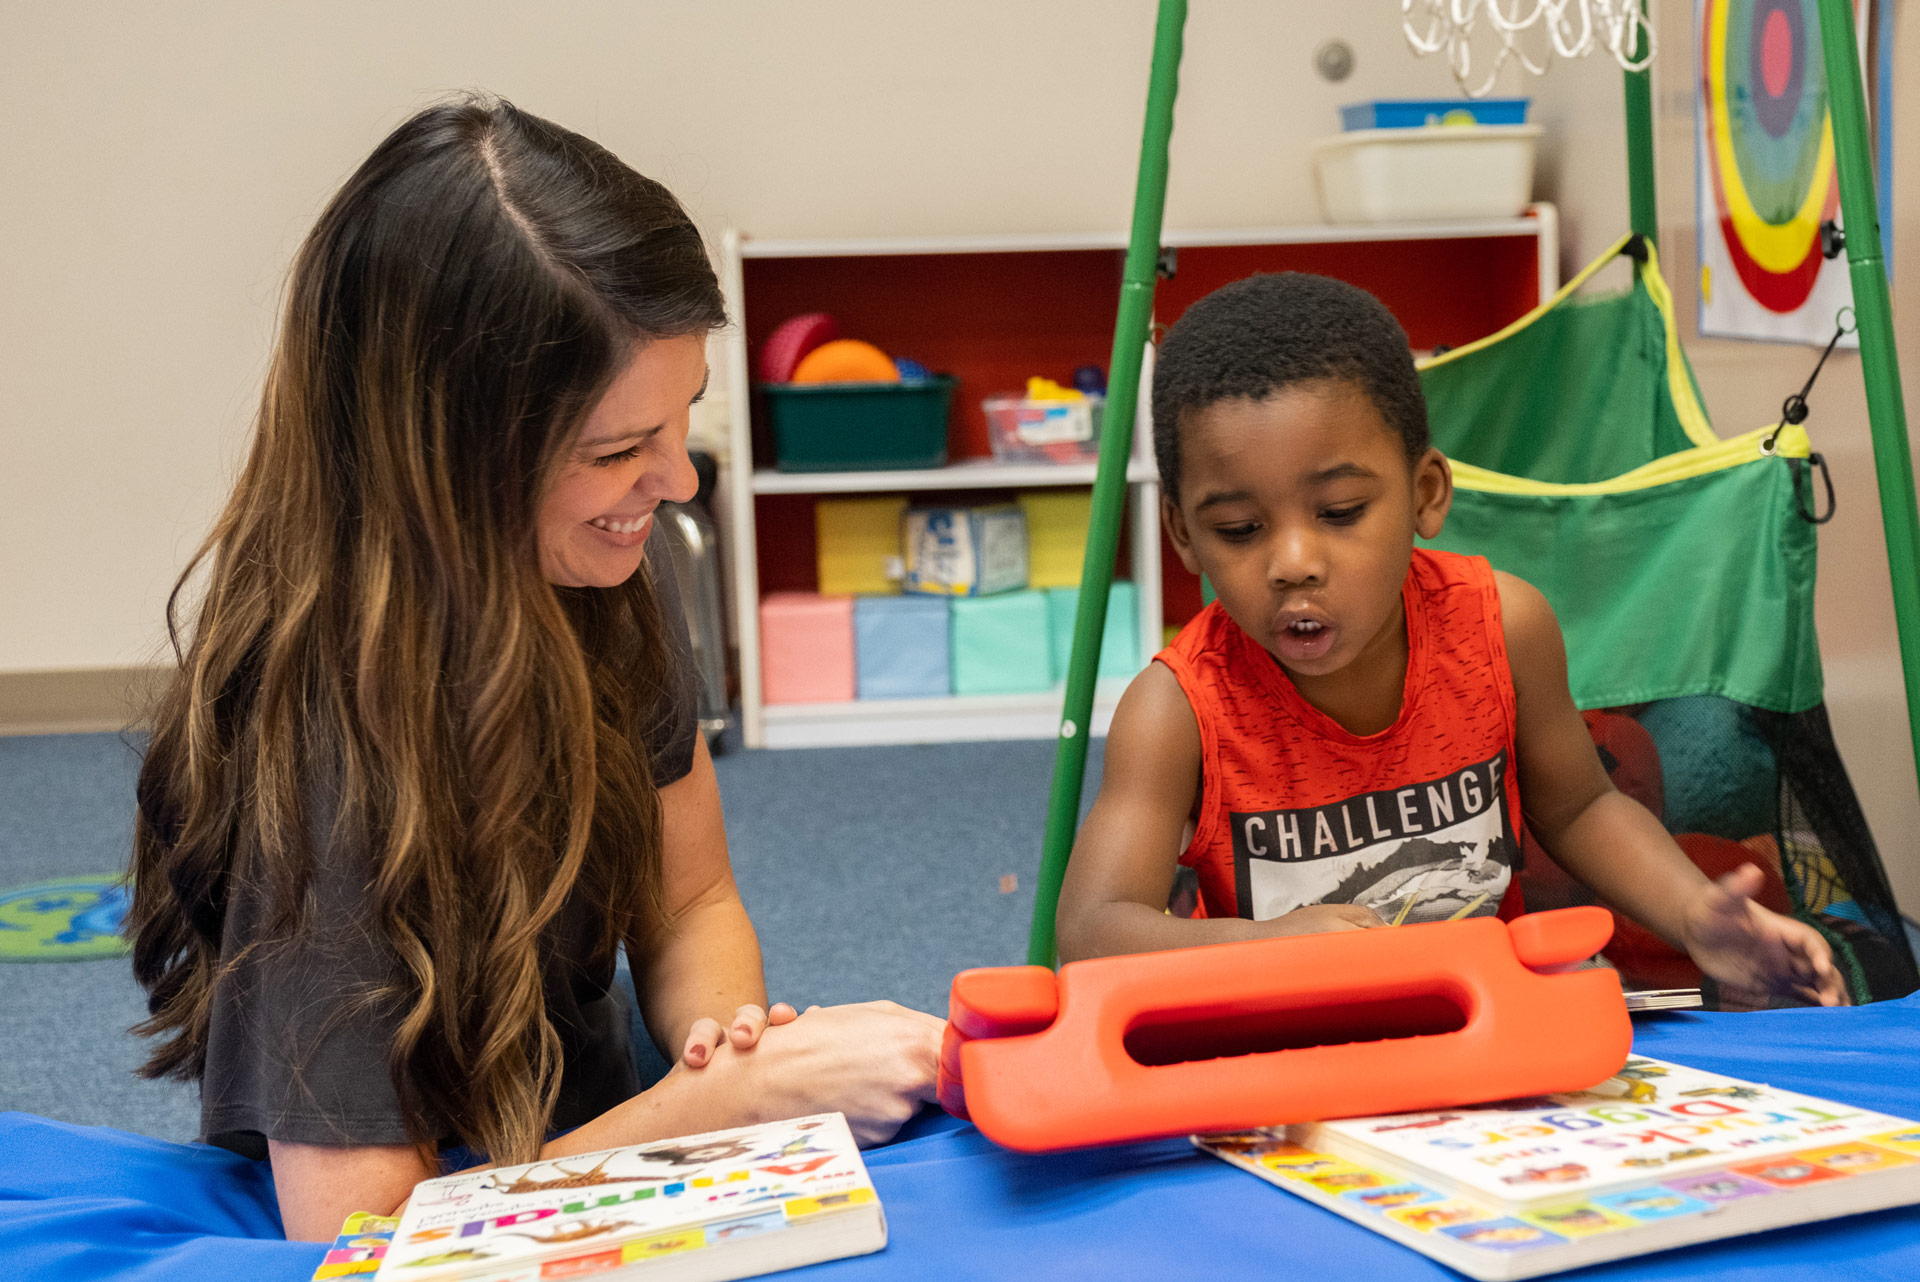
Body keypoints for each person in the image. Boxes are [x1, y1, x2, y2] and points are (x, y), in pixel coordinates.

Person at [125, 97, 942, 1243]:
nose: (679, 484)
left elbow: (689, 895)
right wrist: (712, 1109)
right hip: (421, 1197)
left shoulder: (607, 570)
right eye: (617, 450)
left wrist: (733, 1051)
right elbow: (358, 1230)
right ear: (444, 466)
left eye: (682, 423)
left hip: (601, 1130)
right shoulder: (320, 748)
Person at [1055, 272, 1846, 1009]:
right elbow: (1092, 936)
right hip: (1290, 1047)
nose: (1293, 563)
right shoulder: (1176, 707)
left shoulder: (1504, 625)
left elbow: (1579, 808)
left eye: (1339, 513)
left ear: (1425, 495)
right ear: (1185, 536)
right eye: (1238, 529)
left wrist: (1690, 915)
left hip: (1485, 1036)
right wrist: (1269, 947)